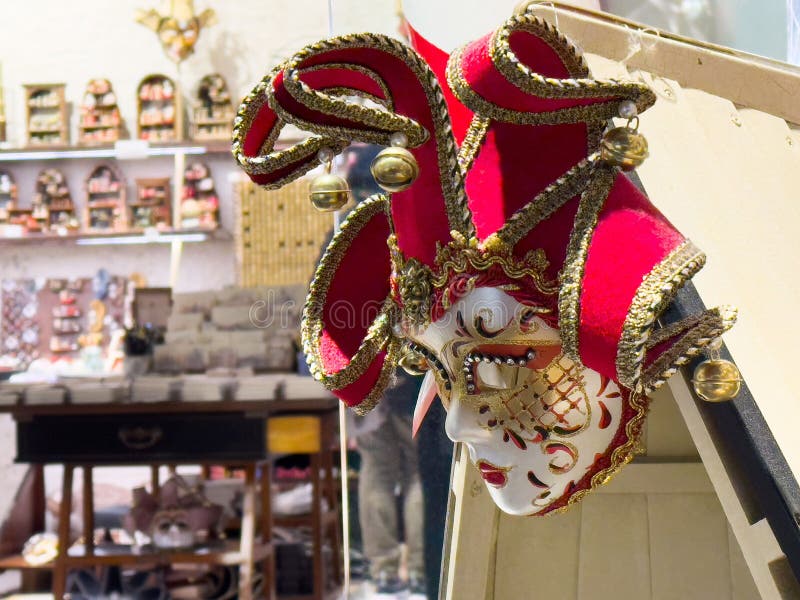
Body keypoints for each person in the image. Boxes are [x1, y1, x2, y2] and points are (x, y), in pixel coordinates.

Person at [351, 369, 425, 599]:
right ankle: (419, 571)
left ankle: (384, 570)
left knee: (376, 466)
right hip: (410, 379)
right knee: (417, 470)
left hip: (364, 378)